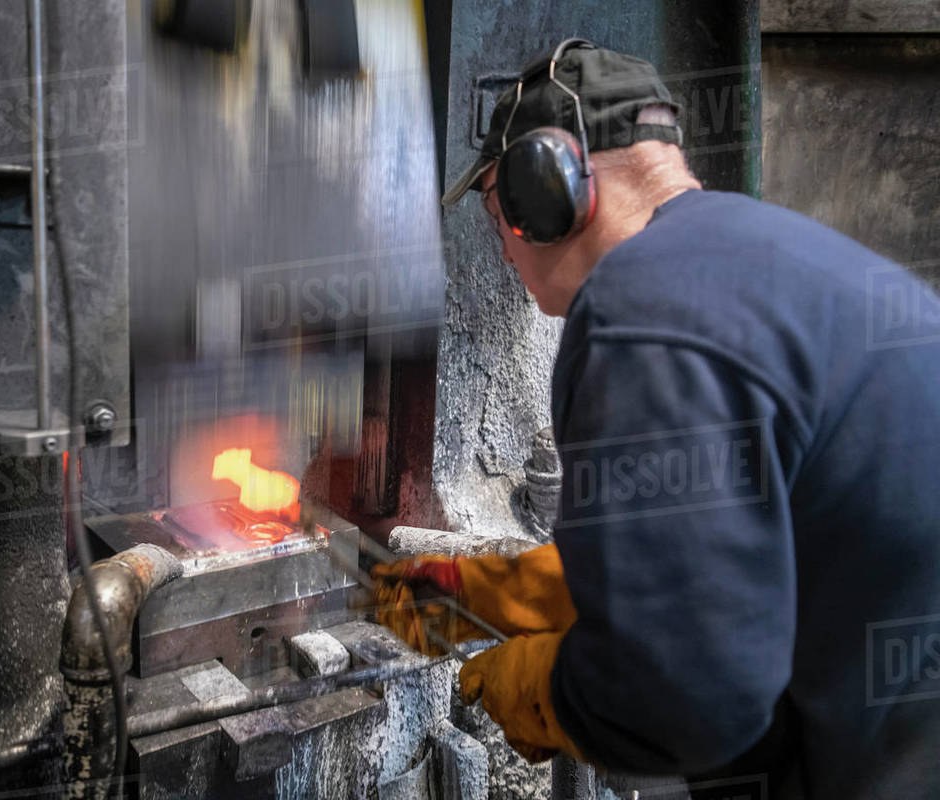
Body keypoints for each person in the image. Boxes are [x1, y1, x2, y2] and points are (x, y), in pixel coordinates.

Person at [374, 39, 940, 799]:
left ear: (547, 186)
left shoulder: (636, 310)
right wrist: (502, 592)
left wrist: (543, 688)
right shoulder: (754, 256)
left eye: (496, 207)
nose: (502, 243)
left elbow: (694, 699)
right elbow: (722, 545)